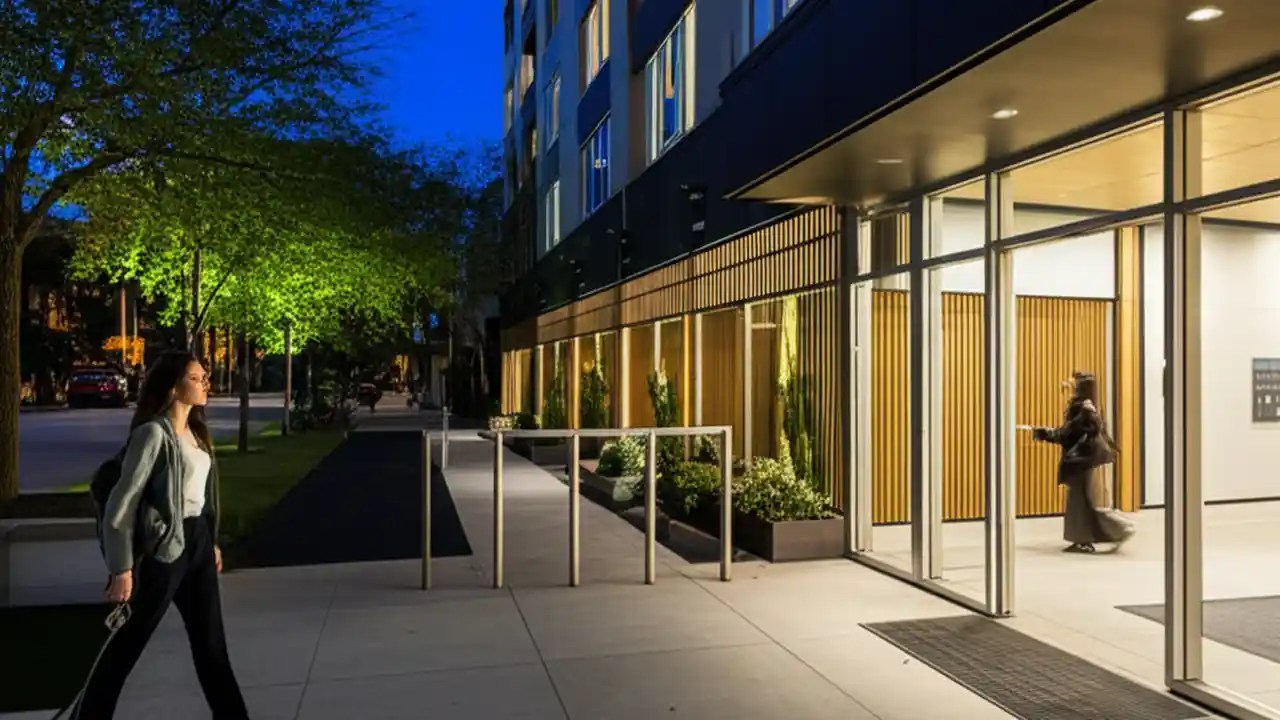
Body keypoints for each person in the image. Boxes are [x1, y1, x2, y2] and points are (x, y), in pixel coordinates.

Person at [77, 351, 249, 719]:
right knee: (127, 643)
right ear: (173, 388)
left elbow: (198, 496)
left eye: (205, 377)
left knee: (211, 646)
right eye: (197, 377)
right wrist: (121, 567)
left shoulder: (196, 432)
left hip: (197, 543)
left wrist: (210, 541)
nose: (205, 383)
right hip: (164, 549)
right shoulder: (152, 434)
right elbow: (120, 505)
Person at [1032, 371, 1134, 554]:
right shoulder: (1085, 406)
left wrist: (1045, 433)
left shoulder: (1084, 408)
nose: (1069, 384)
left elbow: (1068, 434)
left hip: (1082, 461)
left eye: (1074, 383)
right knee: (1081, 502)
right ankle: (1088, 538)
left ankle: (1116, 531)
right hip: (1085, 460)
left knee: (1081, 502)